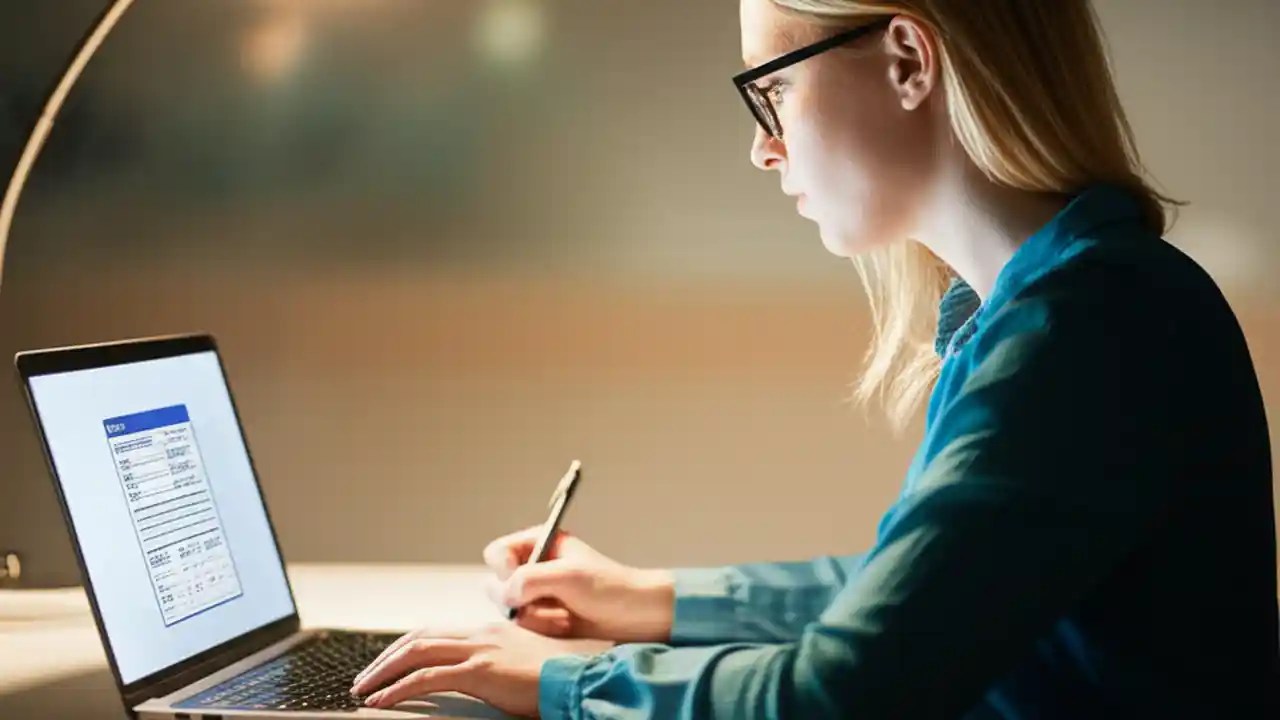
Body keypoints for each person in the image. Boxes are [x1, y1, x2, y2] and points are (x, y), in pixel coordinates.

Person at [351, 0, 1280, 717]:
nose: (763, 147)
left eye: (775, 88)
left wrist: (571, 681)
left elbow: (846, 691)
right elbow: (921, 597)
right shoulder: (1064, 301)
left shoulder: (1086, 328)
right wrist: (649, 600)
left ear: (909, 61)